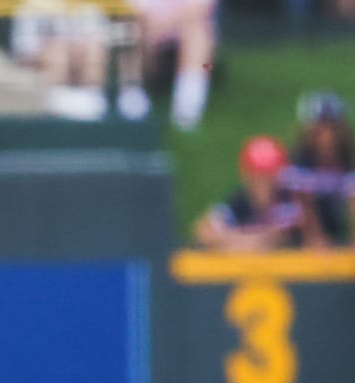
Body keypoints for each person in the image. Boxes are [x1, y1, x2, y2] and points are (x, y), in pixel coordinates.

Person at [283, 91, 355, 249]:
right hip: (297, 240)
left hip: (334, 235)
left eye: (332, 129)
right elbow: (302, 205)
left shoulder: (348, 164)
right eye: (321, 129)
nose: (327, 137)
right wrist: (316, 237)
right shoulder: (298, 164)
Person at [119, 0, 217, 130]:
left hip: (187, 32)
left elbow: (198, 9)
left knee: (199, 35)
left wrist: (171, 22)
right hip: (147, 30)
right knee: (129, 27)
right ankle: (132, 95)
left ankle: (188, 108)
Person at [194, 135, 302, 251]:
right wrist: (243, 240)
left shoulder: (292, 200)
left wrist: (234, 240)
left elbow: (275, 238)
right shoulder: (241, 200)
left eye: (267, 177)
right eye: (256, 177)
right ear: (246, 177)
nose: (262, 185)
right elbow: (204, 230)